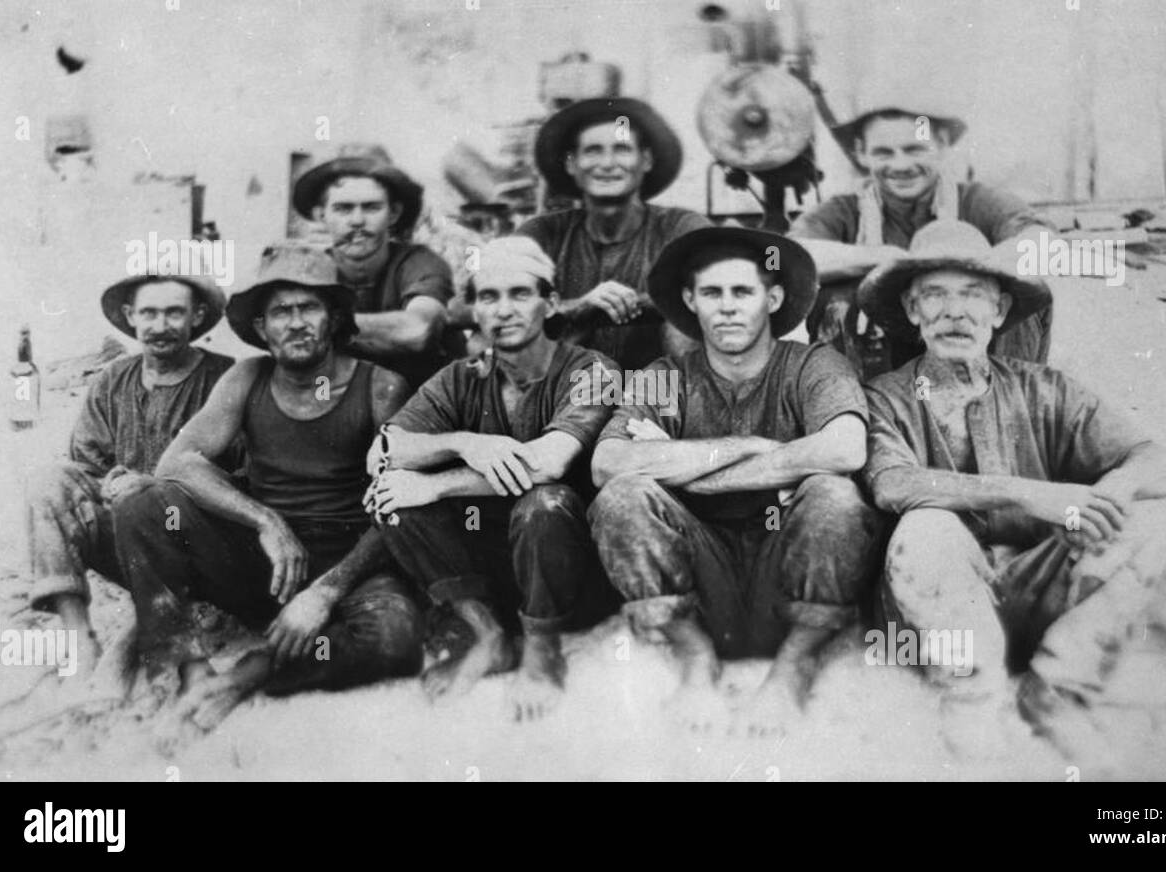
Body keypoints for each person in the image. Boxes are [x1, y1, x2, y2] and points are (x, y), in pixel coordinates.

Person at [858, 220, 1166, 739]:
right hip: (934, 611)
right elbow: (891, 482)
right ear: (912, 312)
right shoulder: (884, 396)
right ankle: (975, 700)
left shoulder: (1044, 387)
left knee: (1146, 515)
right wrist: (1033, 494)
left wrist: (1105, 497)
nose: (955, 312)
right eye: (935, 296)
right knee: (925, 529)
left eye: (973, 296)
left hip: (1039, 587)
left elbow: (1155, 458)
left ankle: (1057, 685)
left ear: (1000, 311)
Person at [112, 243, 423, 736]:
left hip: (351, 562)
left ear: (334, 318)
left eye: (309, 308)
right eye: (280, 312)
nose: (295, 323)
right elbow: (180, 460)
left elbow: (403, 507)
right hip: (262, 564)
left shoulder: (381, 387)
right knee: (146, 508)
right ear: (261, 328)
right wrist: (266, 521)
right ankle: (187, 670)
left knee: (395, 638)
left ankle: (251, 673)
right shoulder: (247, 377)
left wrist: (325, 592)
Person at [588, 228, 881, 733]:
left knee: (834, 493)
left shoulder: (813, 364)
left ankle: (796, 664)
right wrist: (745, 447)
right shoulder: (665, 377)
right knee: (622, 496)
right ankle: (693, 656)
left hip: (786, 565)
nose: (726, 308)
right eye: (711, 293)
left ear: (772, 299)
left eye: (742, 292)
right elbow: (608, 464)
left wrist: (697, 476)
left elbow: (844, 448)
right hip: (699, 574)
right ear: (690, 300)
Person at [367, 237, 617, 720]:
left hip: (568, 574)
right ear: (474, 312)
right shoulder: (461, 377)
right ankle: (487, 635)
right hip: (488, 569)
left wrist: (438, 483)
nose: (504, 310)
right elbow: (381, 454)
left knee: (544, 501)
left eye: (520, 294)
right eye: (488, 297)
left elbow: (547, 463)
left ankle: (543, 650)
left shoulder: (591, 370)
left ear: (552, 302)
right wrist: (465, 443)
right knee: (391, 494)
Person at [25, 271, 233, 678]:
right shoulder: (113, 380)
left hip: (197, 542)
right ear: (130, 316)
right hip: (126, 537)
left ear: (197, 316)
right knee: (49, 481)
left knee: (145, 506)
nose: (160, 326)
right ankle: (79, 636)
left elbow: (239, 477)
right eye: (149, 313)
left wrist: (154, 488)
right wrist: (113, 486)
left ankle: (165, 642)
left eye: (175, 313)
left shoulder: (226, 378)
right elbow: (86, 464)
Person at [790, 93, 1054, 377]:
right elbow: (783, 259)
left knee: (1016, 295)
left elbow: (1043, 242)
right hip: (883, 364)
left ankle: (1009, 406)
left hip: (972, 348)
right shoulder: (845, 210)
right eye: (883, 153)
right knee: (836, 300)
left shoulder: (976, 201)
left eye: (914, 149)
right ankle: (852, 413)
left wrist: (975, 265)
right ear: (861, 153)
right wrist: (884, 260)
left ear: (940, 146)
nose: (901, 165)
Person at [517, 97, 711, 370]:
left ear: (645, 160)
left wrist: (616, 306)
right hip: (566, 388)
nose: (607, 163)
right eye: (593, 151)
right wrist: (578, 308)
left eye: (621, 149)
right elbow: (471, 306)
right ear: (572, 164)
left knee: (684, 321)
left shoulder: (679, 226)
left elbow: (712, 292)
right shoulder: (543, 233)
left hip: (658, 391)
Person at [292, 142, 457, 385]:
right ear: (321, 215)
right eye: (343, 209)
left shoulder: (420, 262)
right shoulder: (306, 269)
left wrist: (322, 325)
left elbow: (418, 330)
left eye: (371, 207)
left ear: (394, 213)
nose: (357, 220)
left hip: (416, 405)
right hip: (333, 398)